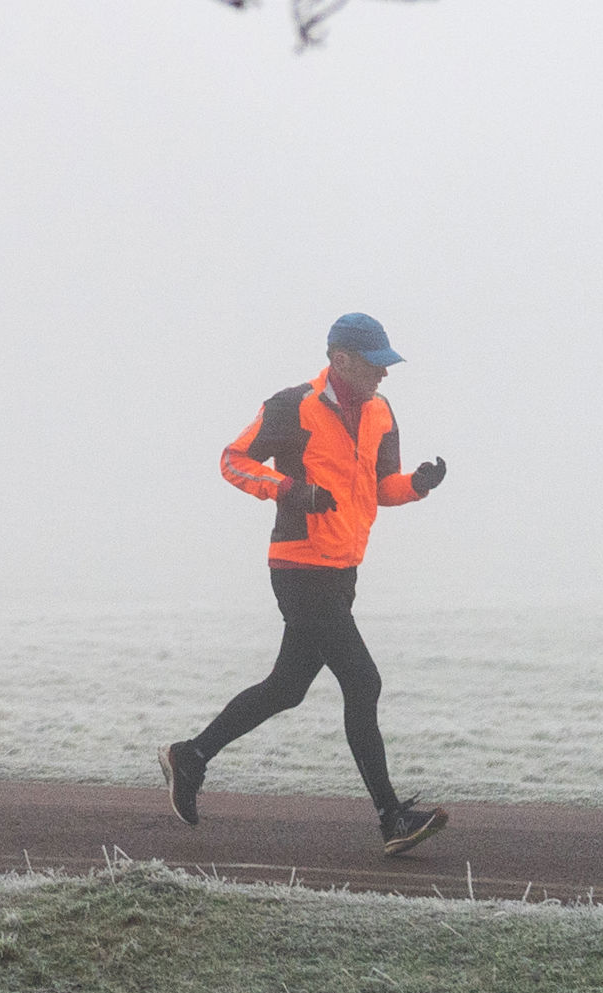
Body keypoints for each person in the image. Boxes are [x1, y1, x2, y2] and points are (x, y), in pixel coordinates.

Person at [158, 311, 453, 854]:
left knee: (287, 689)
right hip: (299, 568)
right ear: (341, 360)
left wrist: (417, 484)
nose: (384, 374)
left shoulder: (381, 412)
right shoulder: (292, 405)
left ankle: (191, 756)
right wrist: (292, 491)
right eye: (374, 364)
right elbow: (234, 461)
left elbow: (379, 488)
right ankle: (392, 820)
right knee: (363, 684)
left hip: (343, 569)